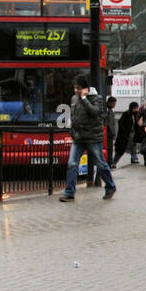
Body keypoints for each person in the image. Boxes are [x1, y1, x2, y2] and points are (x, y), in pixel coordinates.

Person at [59, 73, 115, 202]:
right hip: (78, 137)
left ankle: (110, 186)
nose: (76, 91)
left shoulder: (97, 99)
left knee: (100, 163)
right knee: (72, 164)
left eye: (78, 88)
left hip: (92, 137)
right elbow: (73, 115)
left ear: (85, 88)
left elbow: (95, 112)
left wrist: (84, 99)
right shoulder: (74, 99)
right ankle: (69, 193)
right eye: (75, 88)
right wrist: (72, 130)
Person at [111, 100, 138, 167]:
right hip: (125, 135)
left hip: (132, 134)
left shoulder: (135, 114)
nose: (136, 110)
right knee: (120, 150)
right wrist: (124, 132)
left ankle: (134, 158)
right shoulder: (126, 114)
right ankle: (114, 163)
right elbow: (121, 124)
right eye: (135, 108)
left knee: (133, 147)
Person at [104, 96, 119, 169]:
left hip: (108, 133)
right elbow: (110, 124)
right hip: (108, 133)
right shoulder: (108, 111)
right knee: (109, 149)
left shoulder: (108, 110)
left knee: (109, 148)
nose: (114, 105)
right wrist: (113, 133)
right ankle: (109, 162)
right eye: (113, 104)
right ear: (109, 103)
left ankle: (109, 162)